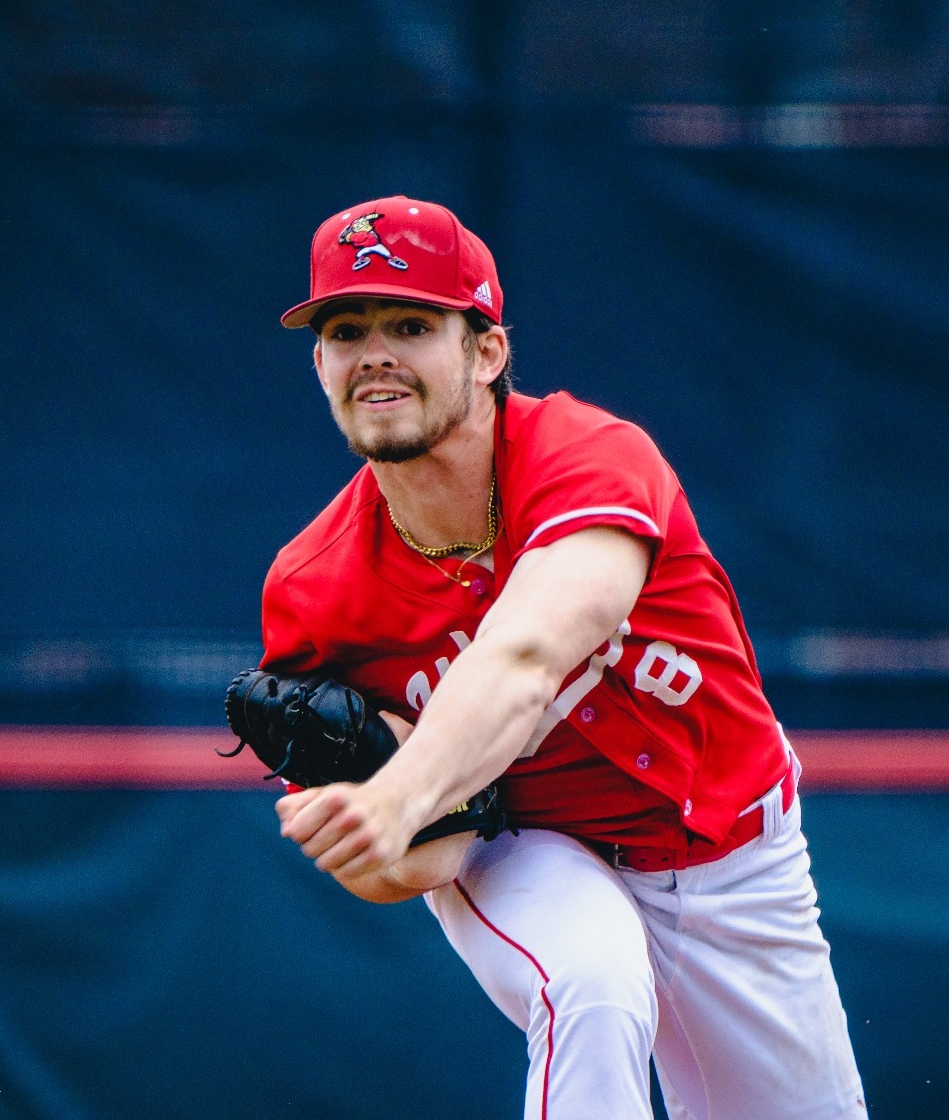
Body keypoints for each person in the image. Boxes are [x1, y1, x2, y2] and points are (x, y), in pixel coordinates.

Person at [262, 195, 867, 1119]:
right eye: (346, 331)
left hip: (733, 851)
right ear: (320, 365)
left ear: (487, 351)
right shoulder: (312, 588)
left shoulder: (591, 456)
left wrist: (398, 793)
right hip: (527, 847)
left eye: (412, 324)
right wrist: (392, 838)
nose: (374, 352)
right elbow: (413, 862)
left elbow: (528, 653)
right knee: (590, 983)